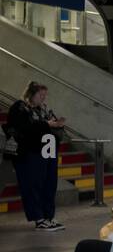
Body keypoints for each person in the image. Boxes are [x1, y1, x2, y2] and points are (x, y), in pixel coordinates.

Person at [6, 81, 66, 231]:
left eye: (45, 95)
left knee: (49, 185)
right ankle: (39, 218)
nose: (43, 99)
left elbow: (49, 124)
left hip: (48, 151)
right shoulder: (20, 107)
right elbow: (25, 129)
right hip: (30, 153)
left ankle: (48, 216)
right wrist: (47, 125)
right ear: (31, 94)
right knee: (34, 185)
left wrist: (57, 125)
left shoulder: (43, 109)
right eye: (40, 95)